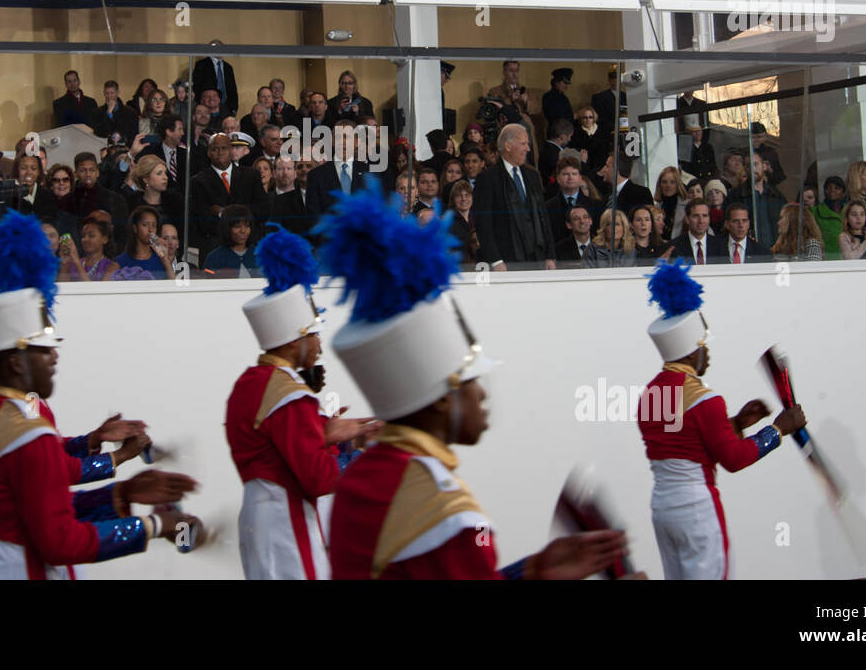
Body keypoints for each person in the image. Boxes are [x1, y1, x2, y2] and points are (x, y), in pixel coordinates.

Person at [317, 185, 630, 580]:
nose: (482, 393)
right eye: (470, 378)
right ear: (443, 397)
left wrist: (532, 570)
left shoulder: (362, 479)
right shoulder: (447, 511)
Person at [0, 212, 200, 579]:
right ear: (14, 361)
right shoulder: (25, 432)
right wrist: (154, 525)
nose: (55, 355)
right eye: (44, 347)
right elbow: (59, 538)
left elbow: (48, 499)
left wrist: (121, 489)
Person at [227, 226, 379, 579]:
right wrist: (356, 455)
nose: (319, 346)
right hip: (285, 521)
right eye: (314, 335)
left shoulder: (250, 384)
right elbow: (319, 479)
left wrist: (329, 435)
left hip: (261, 517)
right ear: (295, 341)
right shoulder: (288, 395)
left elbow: (277, 448)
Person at [640, 261, 807, 579]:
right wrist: (777, 429)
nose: (708, 353)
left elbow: (683, 440)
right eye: (704, 346)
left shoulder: (650, 394)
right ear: (690, 353)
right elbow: (732, 458)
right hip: (696, 507)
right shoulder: (704, 398)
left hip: (663, 508)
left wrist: (738, 423)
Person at [473, 124, 555, 272]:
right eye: (523, 144)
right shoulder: (487, 179)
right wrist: (496, 261)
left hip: (537, 258)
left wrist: (550, 255)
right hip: (505, 261)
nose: (528, 149)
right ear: (508, 146)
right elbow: (483, 224)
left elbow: (543, 217)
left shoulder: (533, 176)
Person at [190, 133, 268, 256]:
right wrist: (242, 216)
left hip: (250, 245)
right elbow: (204, 221)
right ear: (208, 153)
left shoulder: (251, 176)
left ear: (231, 150)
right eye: (215, 149)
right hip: (216, 246)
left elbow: (262, 210)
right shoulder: (198, 181)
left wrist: (222, 212)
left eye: (224, 148)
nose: (220, 152)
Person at [305, 121, 370, 218]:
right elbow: (313, 216)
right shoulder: (316, 175)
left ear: (357, 142)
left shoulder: (370, 173)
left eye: (347, 137)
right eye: (338, 137)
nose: (342, 142)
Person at [115, 206, 175, 280]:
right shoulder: (120, 262)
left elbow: (174, 286)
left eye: (154, 226)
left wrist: (165, 260)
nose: (150, 230)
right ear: (135, 228)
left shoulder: (161, 260)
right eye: (145, 225)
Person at [57, 217, 122, 282]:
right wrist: (65, 262)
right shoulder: (72, 263)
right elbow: (62, 289)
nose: (85, 239)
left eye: (91, 235)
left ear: (104, 239)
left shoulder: (112, 267)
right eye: (83, 236)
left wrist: (76, 260)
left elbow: (95, 291)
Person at [597, 151, 653, 216]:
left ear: (616, 170)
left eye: (607, 166)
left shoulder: (641, 193)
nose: (603, 169)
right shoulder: (607, 195)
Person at [670, 199, 724, 266]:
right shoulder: (674, 247)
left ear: (709, 219)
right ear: (687, 219)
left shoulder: (721, 246)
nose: (701, 221)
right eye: (696, 216)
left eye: (704, 216)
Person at [90, 79, 138, 146]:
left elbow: (134, 133)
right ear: (103, 93)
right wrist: (108, 113)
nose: (109, 96)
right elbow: (99, 132)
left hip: (126, 147)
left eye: (112, 93)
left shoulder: (130, 111)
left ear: (118, 93)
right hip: (104, 146)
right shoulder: (96, 112)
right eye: (107, 93)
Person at [193, 48, 239, 117]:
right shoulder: (201, 64)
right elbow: (196, 87)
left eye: (220, 48)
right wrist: (200, 106)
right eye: (216, 47)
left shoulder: (228, 67)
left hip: (226, 108)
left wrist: (234, 109)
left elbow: (232, 89)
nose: (219, 50)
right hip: (207, 108)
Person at [446, 179, 478, 265]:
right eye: (459, 196)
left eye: (467, 195)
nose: (464, 199)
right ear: (453, 199)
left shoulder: (479, 219)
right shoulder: (448, 221)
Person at [653, 166, 689, 240]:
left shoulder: (688, 205)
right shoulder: (656, 207)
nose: (668, 185)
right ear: (660, 185)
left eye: (672, 182)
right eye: (664, 182)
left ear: (678, 184)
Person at [542, 68, 576, 134]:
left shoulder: (564, 98)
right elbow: (556, 119)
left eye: (567, 84)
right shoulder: (548, 97)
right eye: (564, 83)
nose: (566, 86)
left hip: (566, 131)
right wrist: (576, 115)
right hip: (556, 133)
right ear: (556, 83)